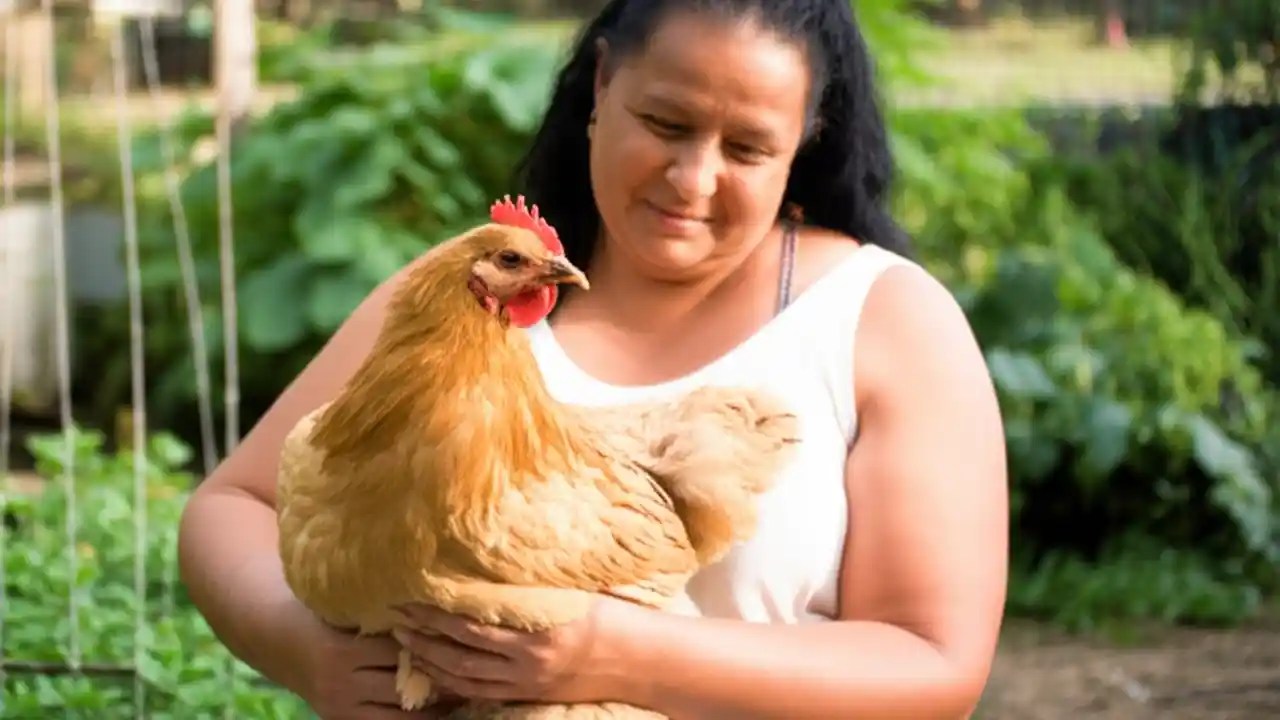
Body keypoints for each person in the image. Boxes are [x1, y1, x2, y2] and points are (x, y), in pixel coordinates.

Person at [177, 0, 1009, 718]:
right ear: (603, 84)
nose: (693, 178)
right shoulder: (473, 297)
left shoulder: (882, 320)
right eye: (666, 124)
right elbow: (234, 504)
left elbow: (936, 666)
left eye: (747, 148)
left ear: (805, 140)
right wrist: (305, 647)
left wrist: (618, 655)